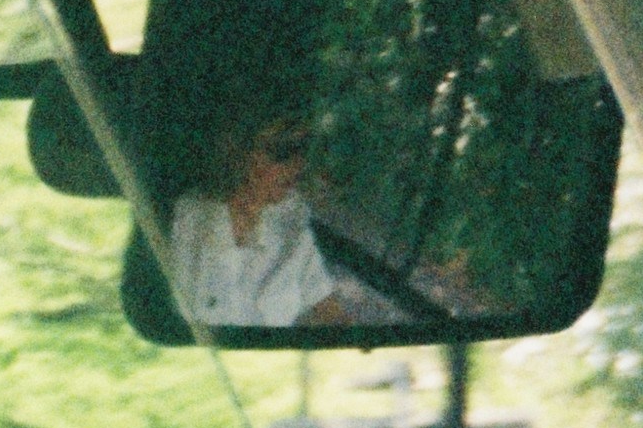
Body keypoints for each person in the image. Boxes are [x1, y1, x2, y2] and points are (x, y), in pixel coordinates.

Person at [160, 97, 464, 330]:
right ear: (237, 151)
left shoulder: (290, 215)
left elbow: (325, 306)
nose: (296, 164)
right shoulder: (193, 220)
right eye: (282, 151)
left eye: (302, 148)